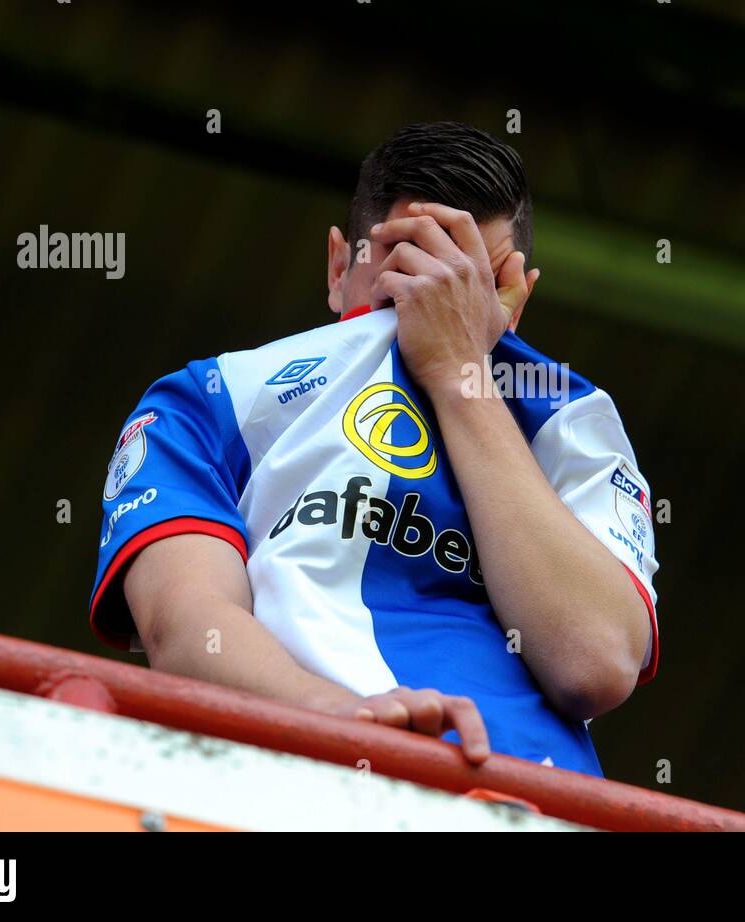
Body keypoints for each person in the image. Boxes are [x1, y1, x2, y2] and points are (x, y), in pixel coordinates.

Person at [89, 122, 658, 776]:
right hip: (297, 795)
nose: (434, 297)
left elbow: (595, 660)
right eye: (409, 264)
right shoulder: (207, 399)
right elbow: (185, 625)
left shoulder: (571, 415)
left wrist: (457, 371)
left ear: (516, 297)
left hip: (531, 810)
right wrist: (345, 720)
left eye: (469, 281)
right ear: (340, 268)